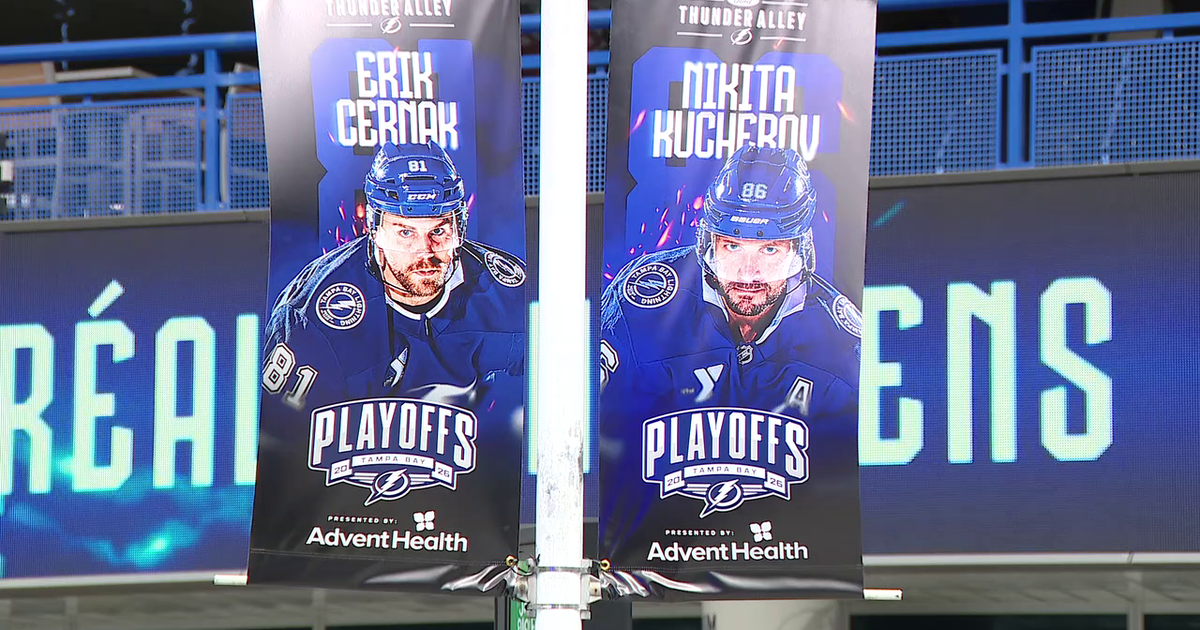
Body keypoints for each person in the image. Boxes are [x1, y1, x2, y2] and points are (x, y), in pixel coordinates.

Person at [597, 144, 861, 524]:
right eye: (733, 245)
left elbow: (837, 502)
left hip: (778, 552)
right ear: (709, 241)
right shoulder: (642, 304)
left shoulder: (838, 342)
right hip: (652, 551)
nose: (748, 272)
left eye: (770, 248)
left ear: (801, 249)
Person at [260, 140, 527, 418]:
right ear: (375, 229)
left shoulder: (507, 293)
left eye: (439, 231)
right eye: (406, 233)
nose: (426, 252)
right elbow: (284, 442)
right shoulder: (311, 316)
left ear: (458, 227)